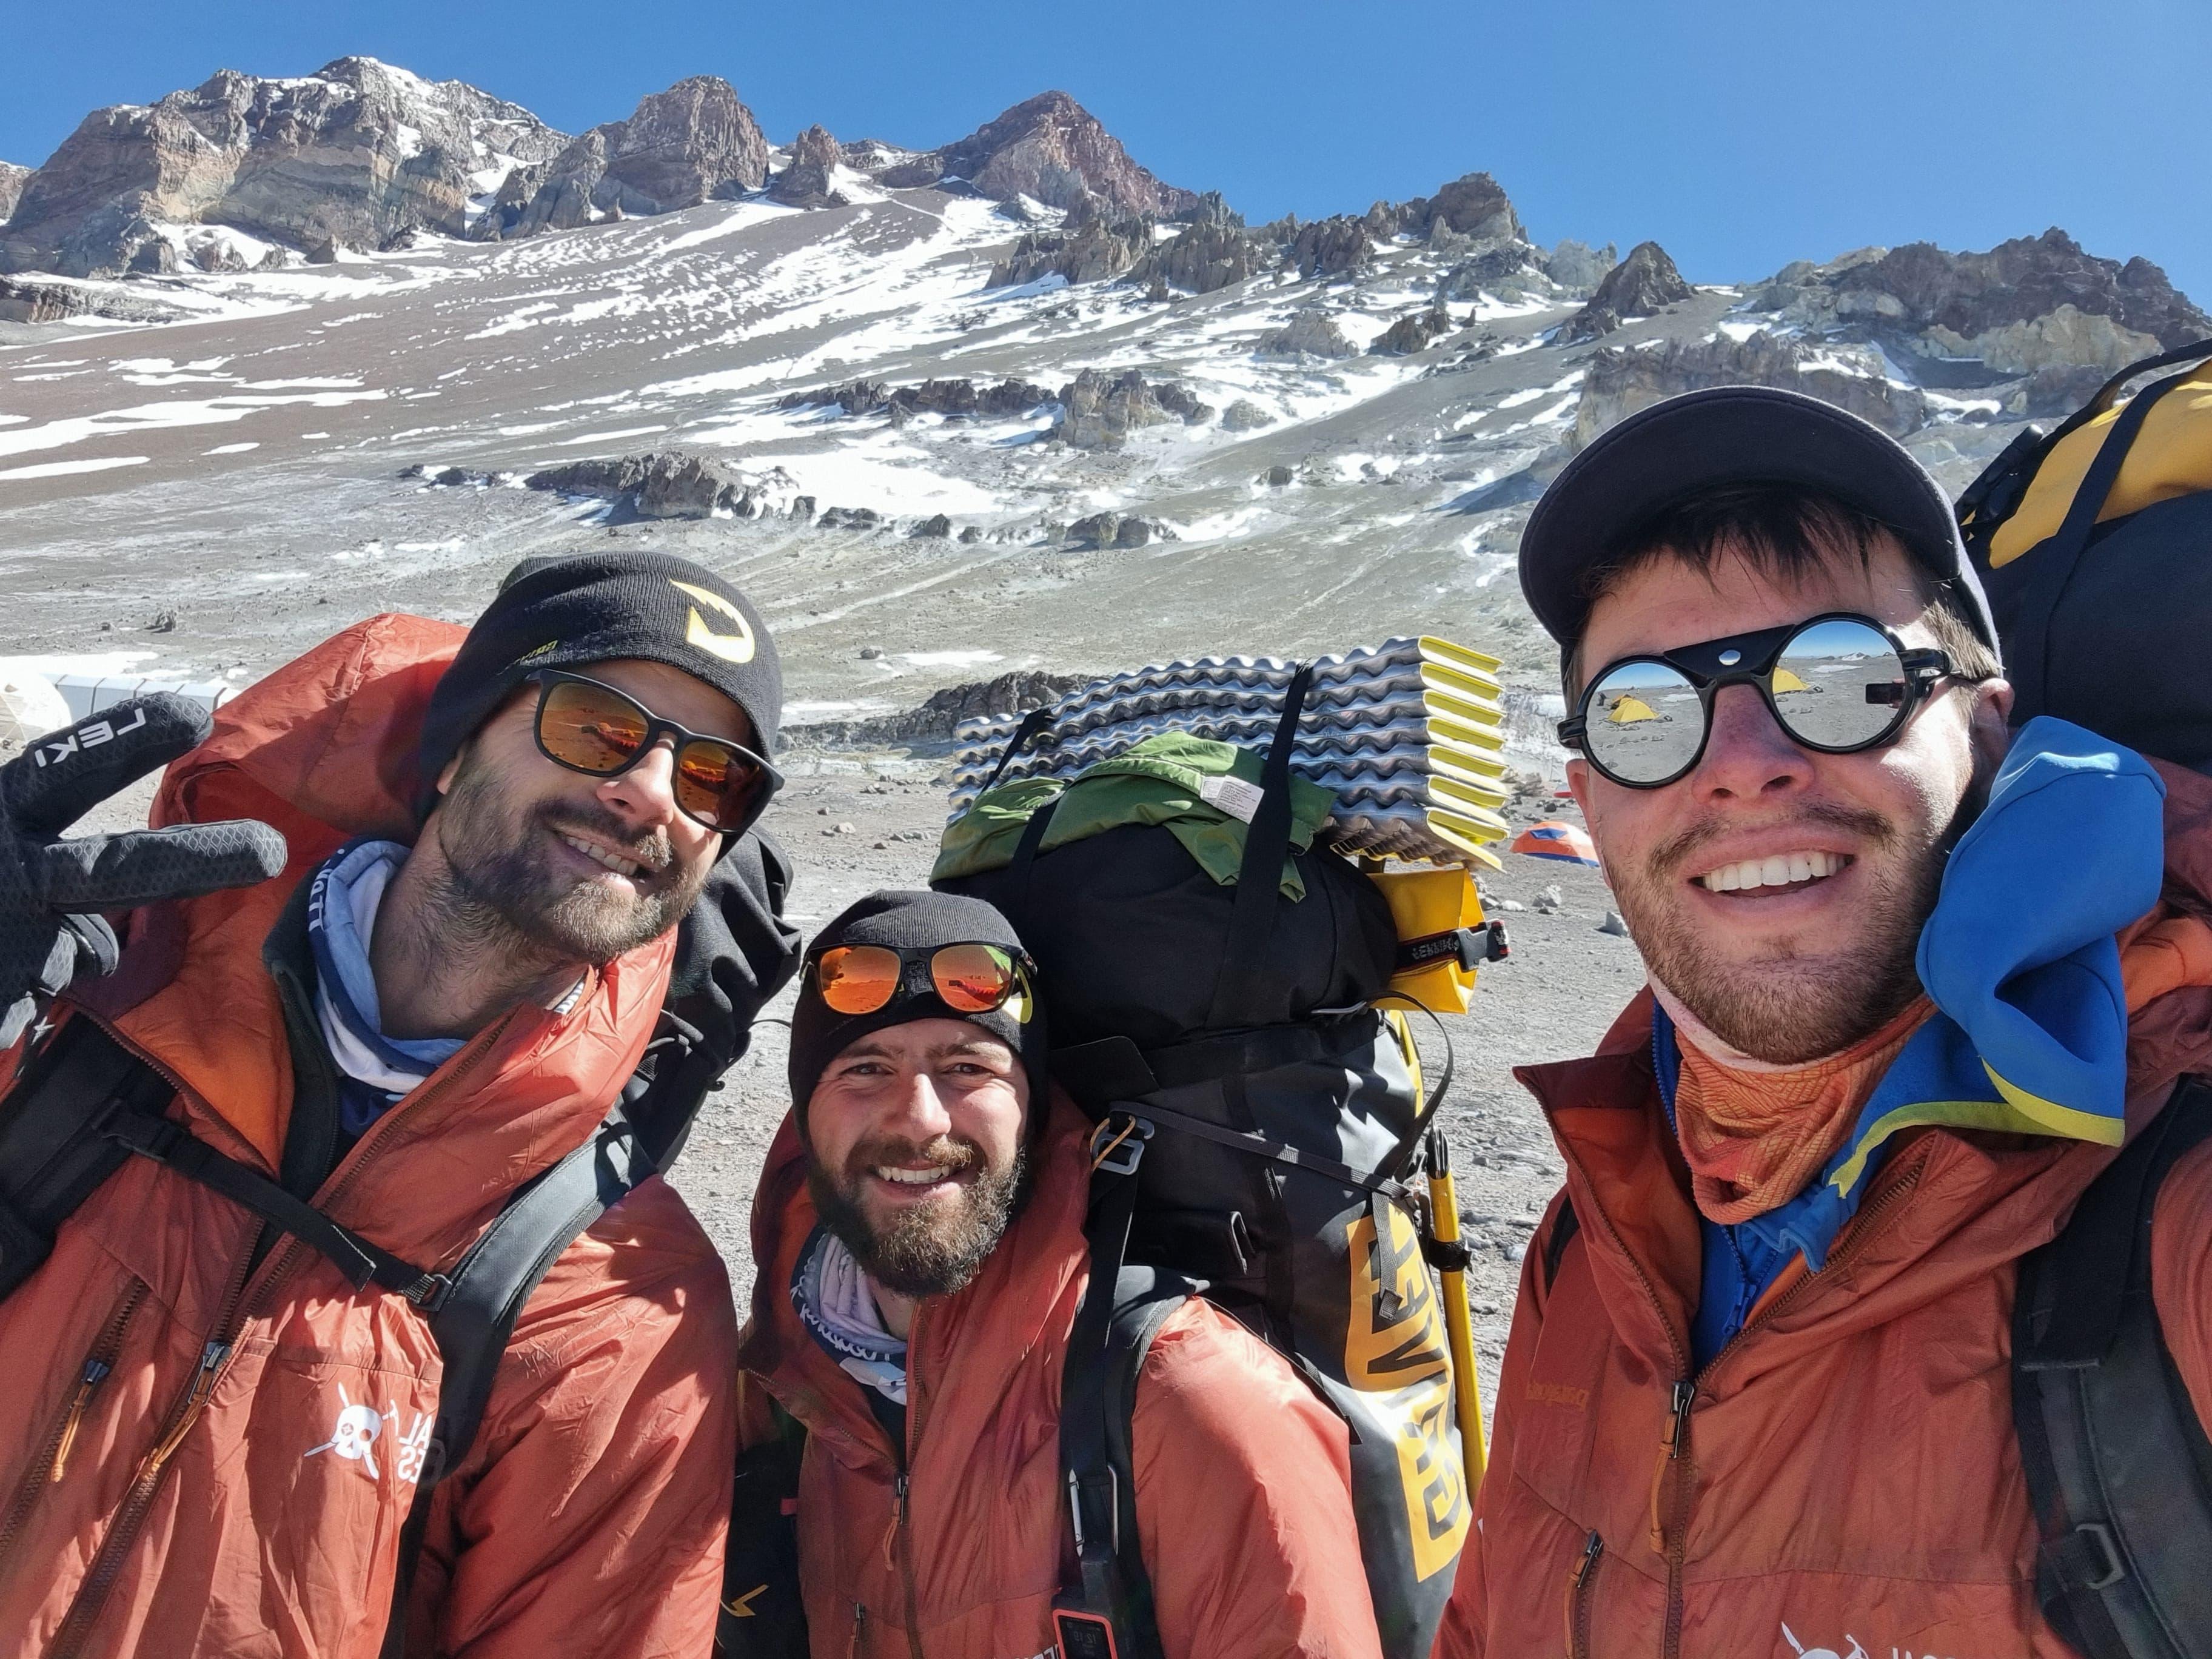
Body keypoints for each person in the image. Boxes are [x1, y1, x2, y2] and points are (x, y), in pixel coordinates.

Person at [1434, 387, 2212, 1657]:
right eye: (1645, 713)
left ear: (1988, 726)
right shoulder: (1604, 1218)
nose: (1741, 759)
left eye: (1839, 678)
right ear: (1587, 794)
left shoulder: (2175, 1190)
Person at [0, 551, 791, 1658]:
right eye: (600, 725)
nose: (652, 791)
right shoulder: (81, 1011)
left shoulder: (619, 1306)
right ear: (458, 740)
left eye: (715, 778)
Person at [734, 888, 1387, 1659]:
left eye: (967, 1067)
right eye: (865, 1067)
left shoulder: (1189, 1400)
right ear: (805, 1114)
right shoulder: (783, 1366)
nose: (920, 1119)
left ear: (1035, 1114)